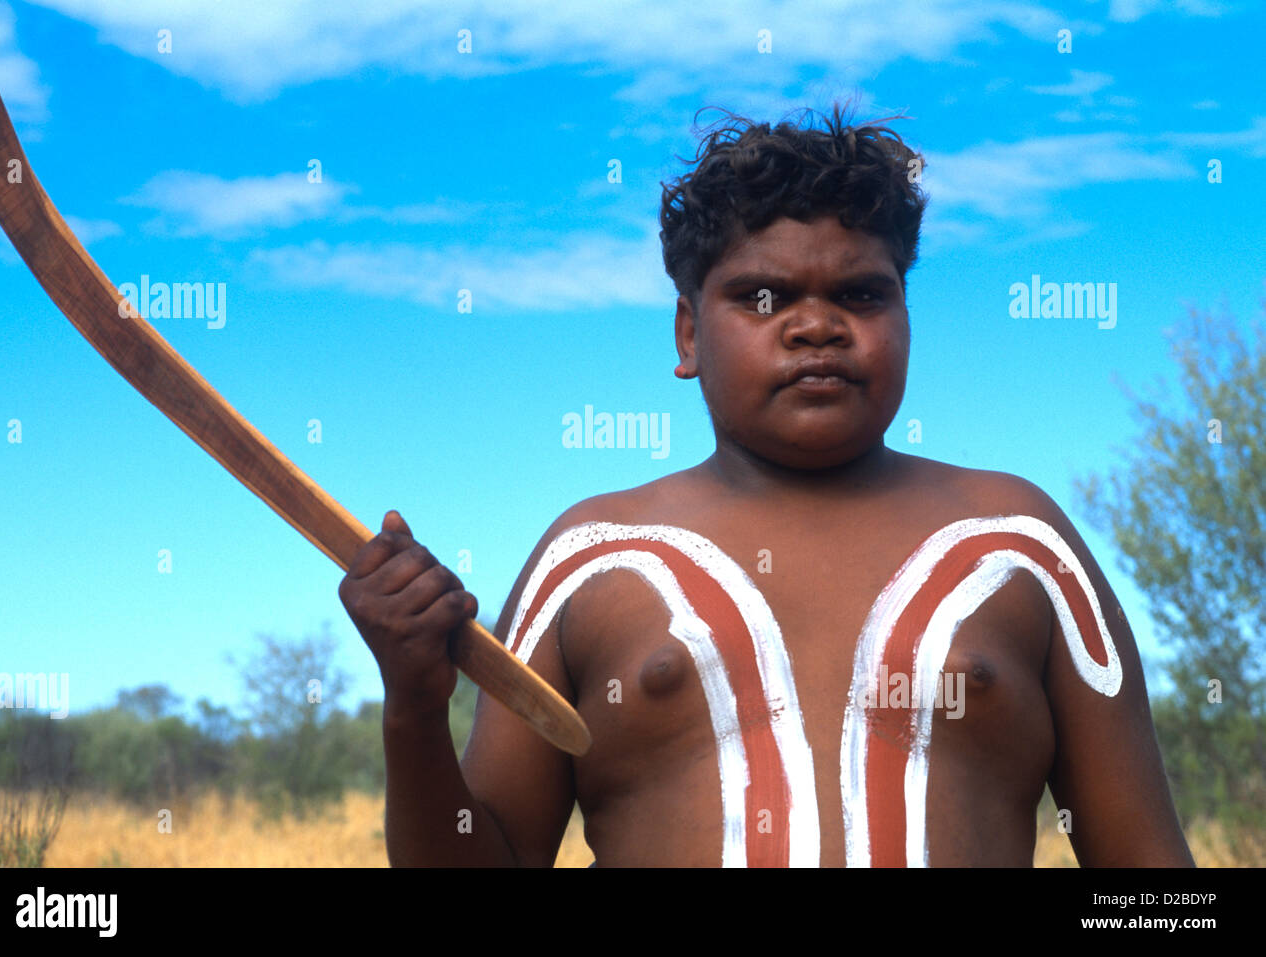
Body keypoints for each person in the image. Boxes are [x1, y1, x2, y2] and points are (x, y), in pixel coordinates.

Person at [337, 105, 1194, 867]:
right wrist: (414, 709)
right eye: (761, 296)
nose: (817, 326)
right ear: (687, 332)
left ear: (905, 316)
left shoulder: (1023, 542)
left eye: (861, 294)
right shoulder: (587, 558)